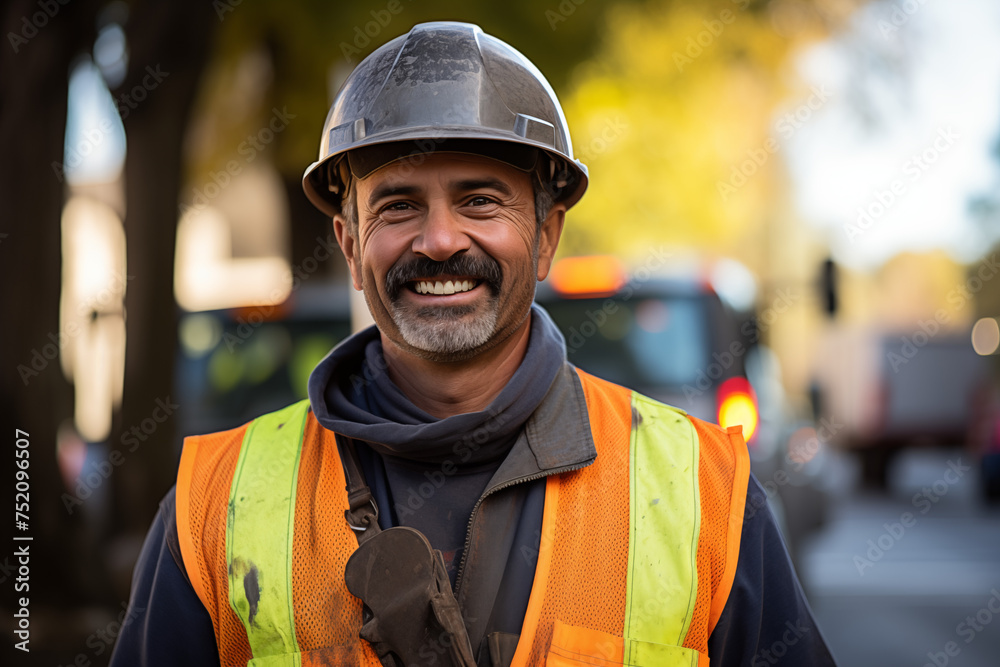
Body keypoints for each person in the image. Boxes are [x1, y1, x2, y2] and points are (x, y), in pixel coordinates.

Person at [111, 21, 837, 667]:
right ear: (350, 240)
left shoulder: (707, 494)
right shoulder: (213, 505)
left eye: (480, 199)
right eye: (398, 204)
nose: (439, 239)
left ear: (546, 235)